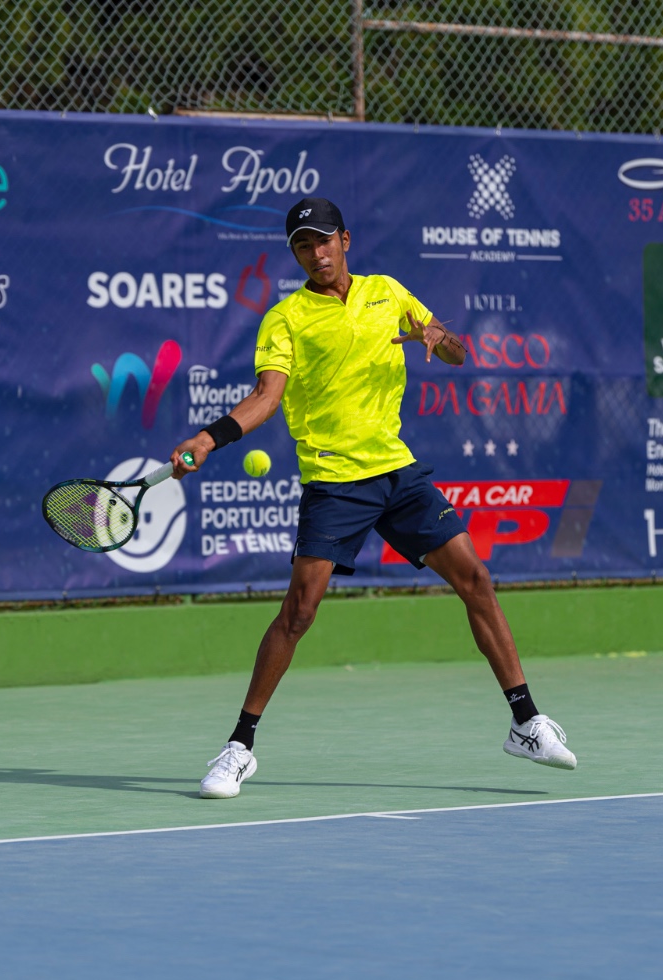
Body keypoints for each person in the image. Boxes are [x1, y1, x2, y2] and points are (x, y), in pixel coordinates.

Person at [170, 197, 576, 799]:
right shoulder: (285, 319)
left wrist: (437, 337)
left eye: (324, 241)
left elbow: (456, 350)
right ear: (297, 254)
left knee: (476, 580)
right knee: (300, 613)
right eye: (304, 246)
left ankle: (525, 721)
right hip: (335, 479)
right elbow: (266, 398)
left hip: (397, 471)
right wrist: (209, 438)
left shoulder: (388, 291)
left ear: (345, 240)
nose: (316, 253)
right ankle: (239, 746)